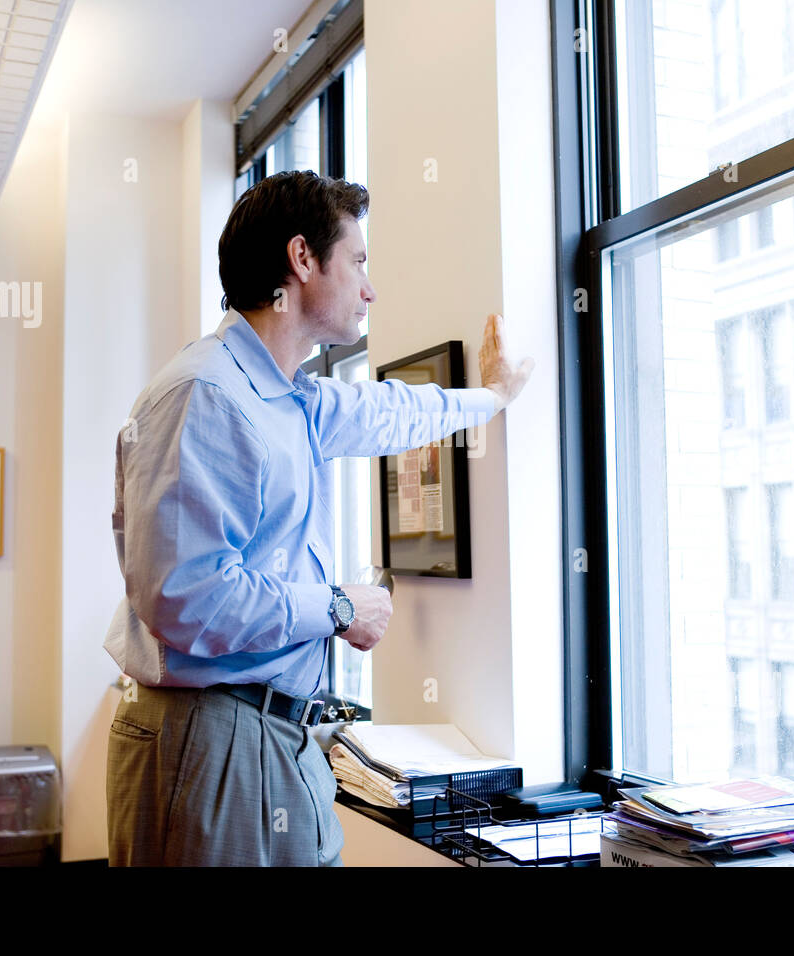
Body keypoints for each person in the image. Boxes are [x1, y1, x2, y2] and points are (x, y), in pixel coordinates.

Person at [103, 170, 534, 866]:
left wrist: (491, 399)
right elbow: (186, 599)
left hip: (273, 736)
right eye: (358, 261)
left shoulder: (287, 400)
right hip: (212, 737)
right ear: (302, 260)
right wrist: (336, 607)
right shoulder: (203, 396)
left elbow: (392, 410)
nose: (370, 287)